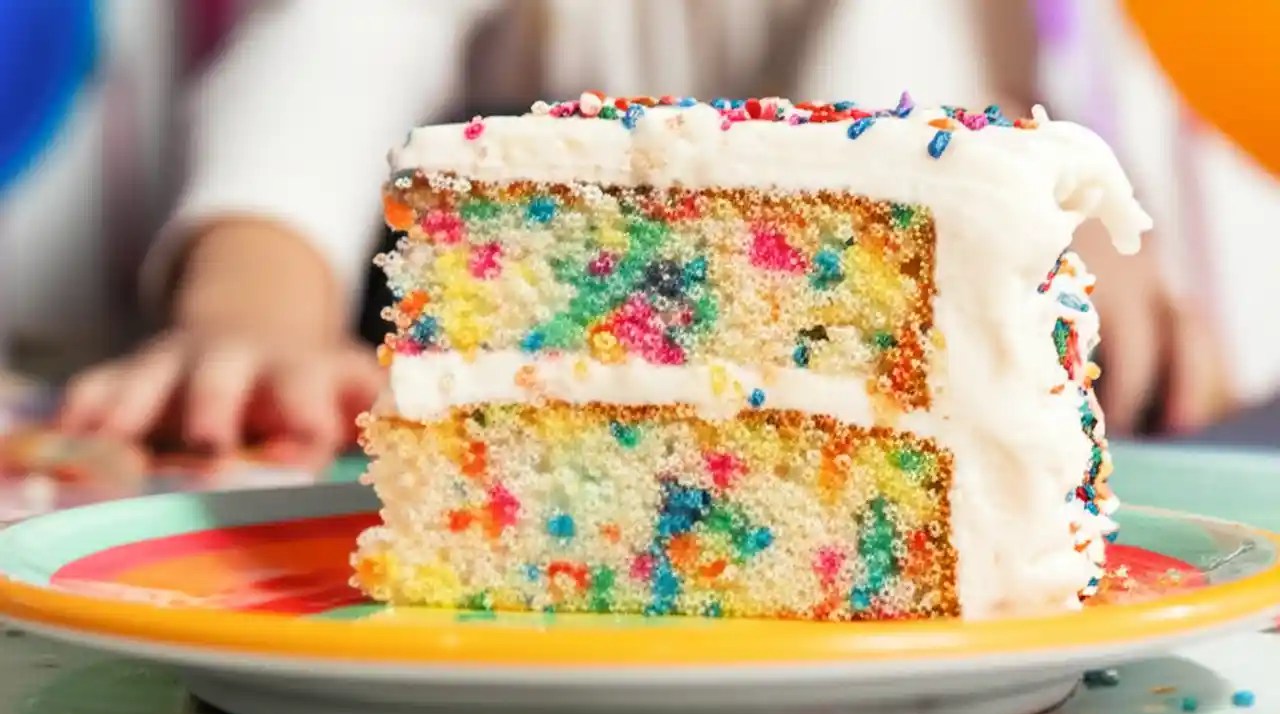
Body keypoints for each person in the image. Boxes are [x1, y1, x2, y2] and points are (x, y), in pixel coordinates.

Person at [58, 0, 1253, 458]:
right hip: (558, 329)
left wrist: (1050, 250)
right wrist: (252, 306)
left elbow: (940, 90)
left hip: (892, 350)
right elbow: (338, 41)